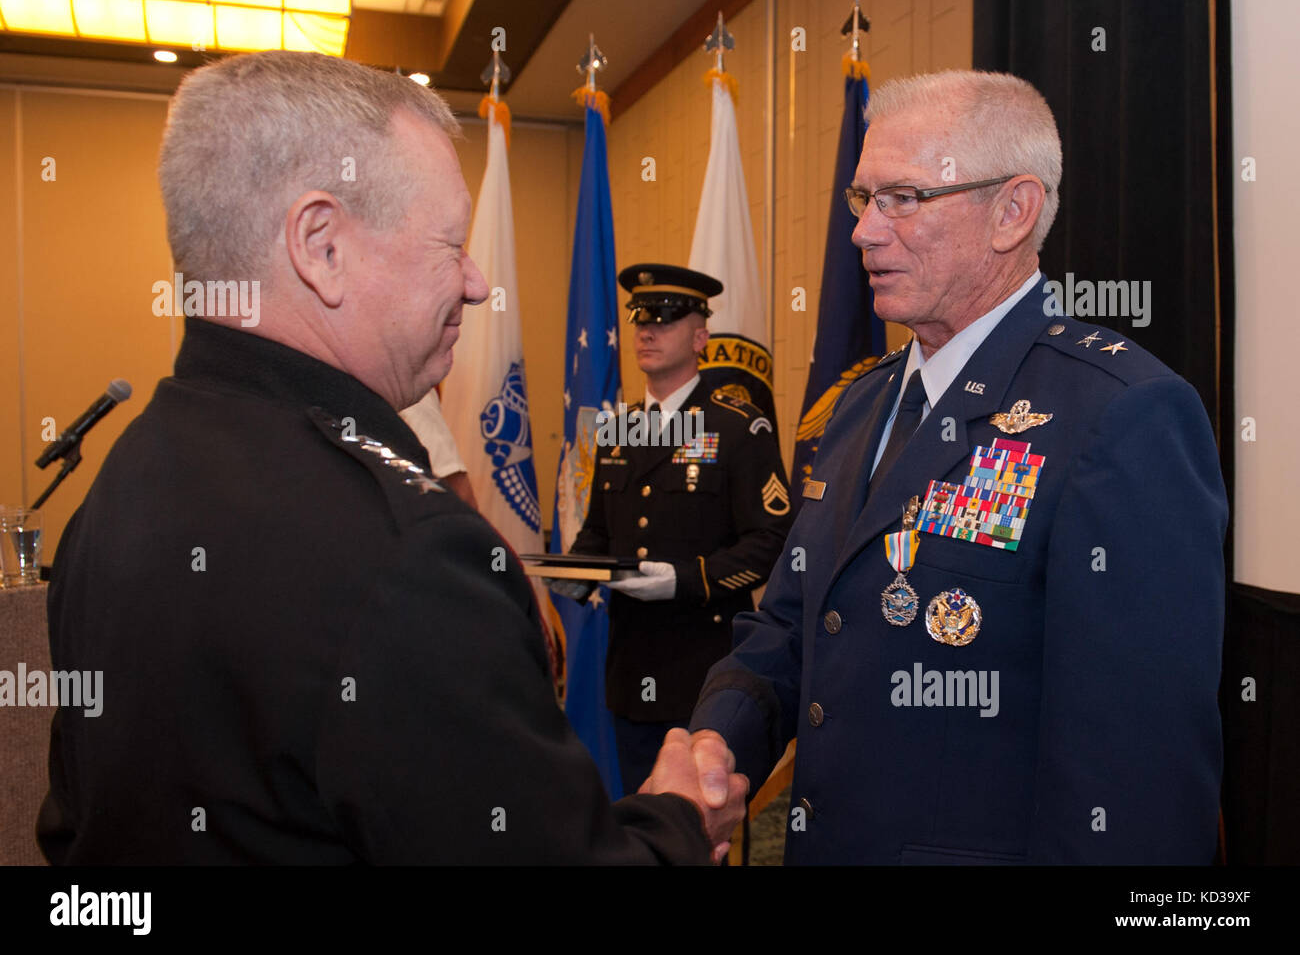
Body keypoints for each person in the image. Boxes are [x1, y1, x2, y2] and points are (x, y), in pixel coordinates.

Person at [38, 51, 745, 865]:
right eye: (450, 244)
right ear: (322, 245)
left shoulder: (124, 480)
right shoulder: (408, 551)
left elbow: (75, 831)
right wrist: (679, 825)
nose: (478, 284)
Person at [686, 70, 1228, 864]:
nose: (864, 233)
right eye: (862, 200)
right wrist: (716, 743)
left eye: (902, 199)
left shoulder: (1120, 415)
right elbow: (795, 626)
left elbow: (1135, 779)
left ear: (1014, 212)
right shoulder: (858, 407)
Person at [556, 264, 793, 798]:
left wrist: (686, 580)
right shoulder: (619, 428)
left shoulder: (737, 427)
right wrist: (566, 573)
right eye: (640, 317)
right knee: (642, 817)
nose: (646, 330)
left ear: (700, 335)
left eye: (665, 318)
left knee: (698, 823)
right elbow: (596, 534)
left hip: (705, 671)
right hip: (631, 667)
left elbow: (772, 542)